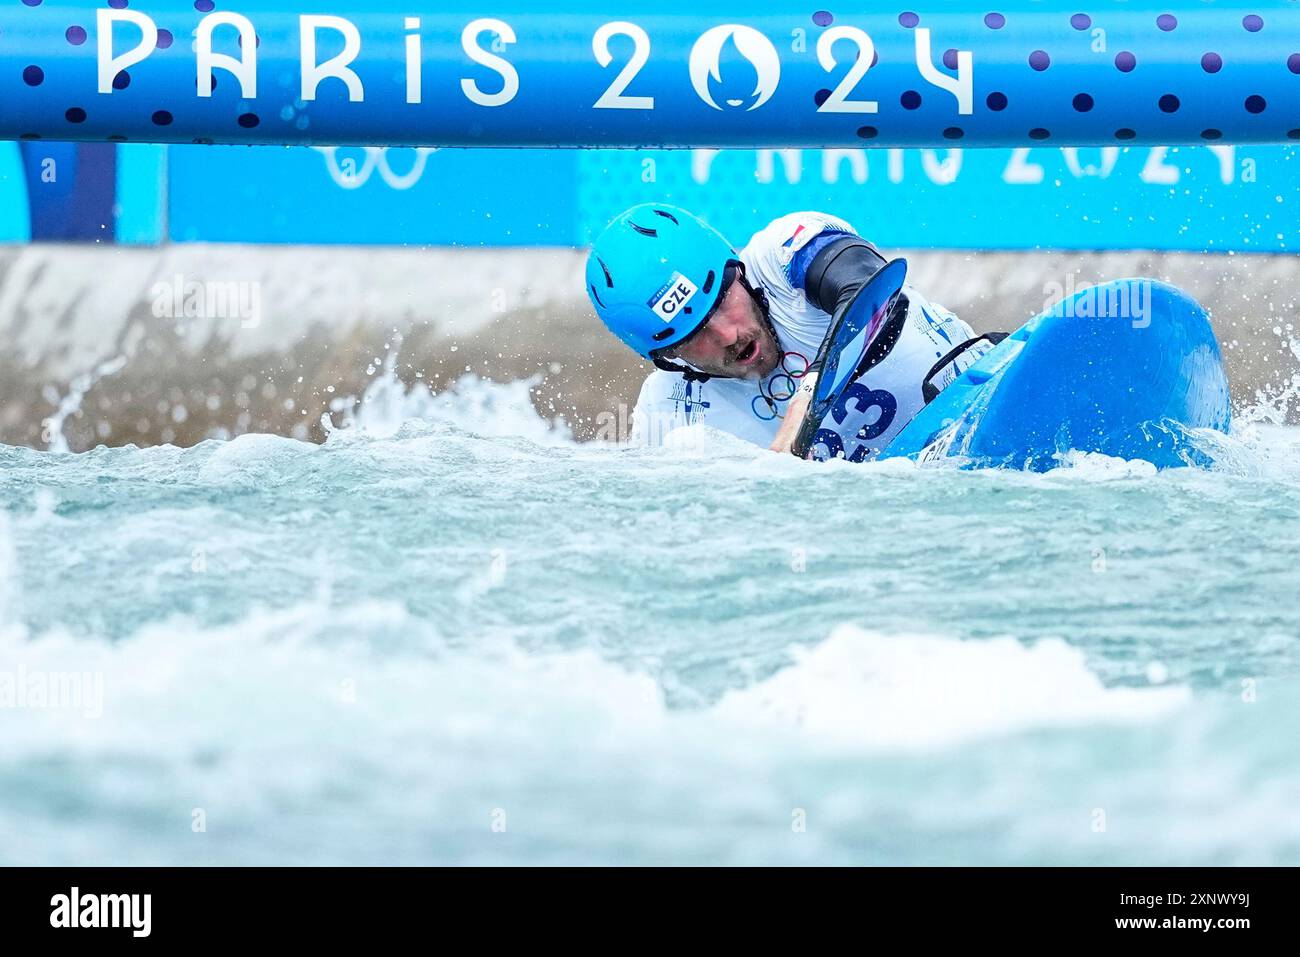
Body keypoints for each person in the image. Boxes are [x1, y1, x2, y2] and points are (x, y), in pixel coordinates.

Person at [585, 203, 995, 458]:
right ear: (668, 359)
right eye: (694, 336)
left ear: (737, 271)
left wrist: (803, 406)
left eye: (723, 299)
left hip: (984, 401)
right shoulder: (669, 413)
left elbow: (866, 281)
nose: (728, 335)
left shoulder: (782, 257)